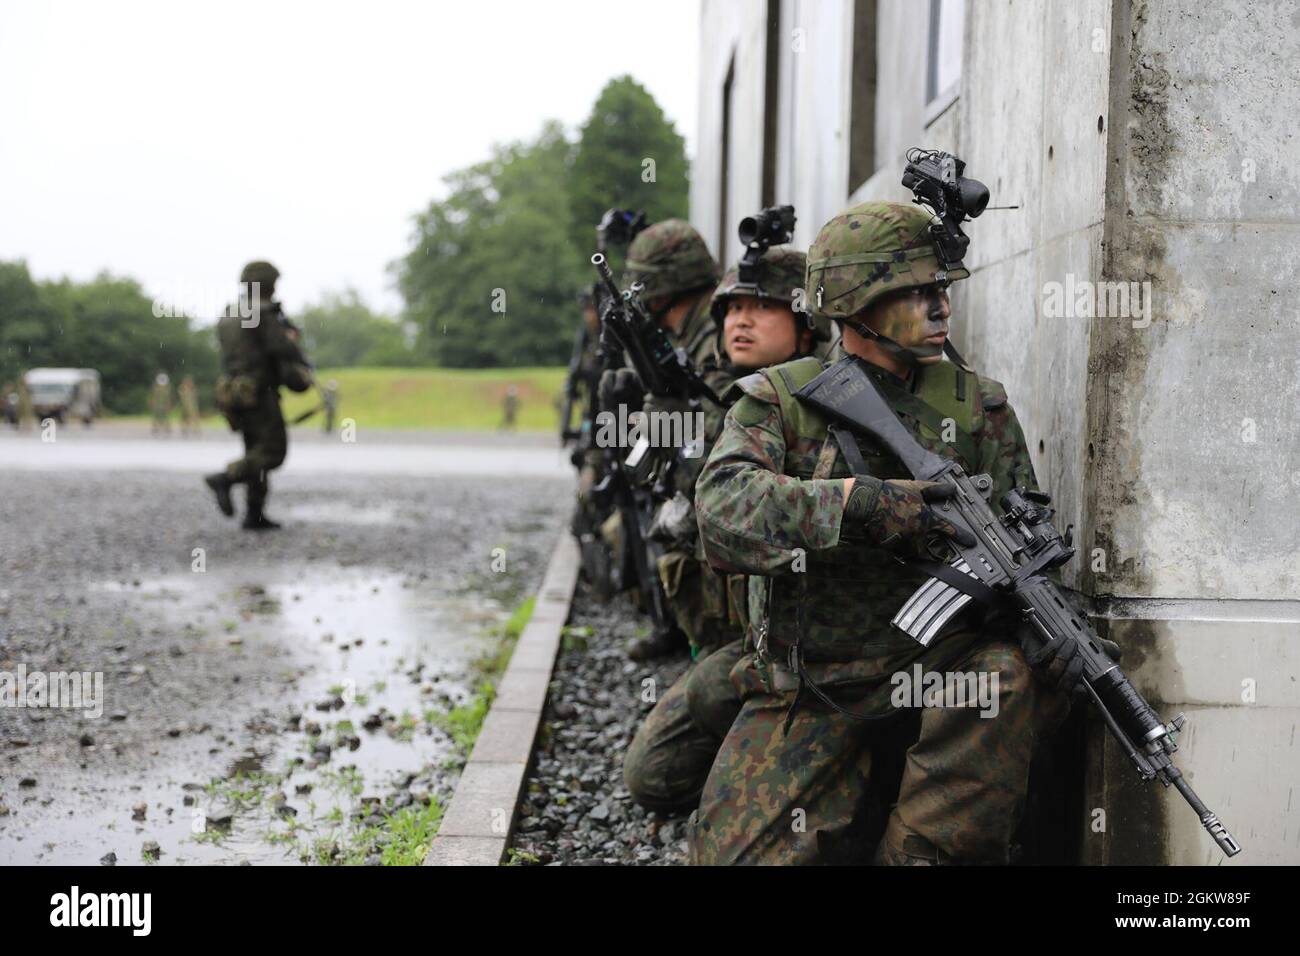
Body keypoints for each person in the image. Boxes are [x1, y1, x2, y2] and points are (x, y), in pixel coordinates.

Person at [689, 201, 1077, 865]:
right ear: (855, 300)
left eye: (942, 291)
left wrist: (1052, 634)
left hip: (934, 668)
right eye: (918, 292)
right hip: (813, 683)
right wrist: (853, 503)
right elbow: (723, 513)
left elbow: (1023, 547)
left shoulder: (976, 406)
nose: (941, 309)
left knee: (1008, 675)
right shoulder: (780, 400)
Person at [623, 242, 824, 813]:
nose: (740, 319)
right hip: (737, 628)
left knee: (716, 691)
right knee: (652, 778)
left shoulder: (828, 400)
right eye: (731, 308)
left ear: (805, 322)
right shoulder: (716, 395)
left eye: (761, 307)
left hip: (805, 635)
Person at [597, 218, 723, 661]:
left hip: (724, 481)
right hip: (700, 468)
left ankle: (711, 640)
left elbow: (718, 429)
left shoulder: (717, 332)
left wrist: (661, 423)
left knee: (673, 522)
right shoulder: (684, 330)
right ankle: (681, 626)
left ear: (664, 285)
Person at [205, 260, 313, 530]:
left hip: (235, 394)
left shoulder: (231, 312)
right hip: (259, 392)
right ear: (267, 284)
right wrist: (293, 343)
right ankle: (226, 478)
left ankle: (254, 513)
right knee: (273, 452)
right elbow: (281, 349)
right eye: (273, 284)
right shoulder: (261, 313)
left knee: (255, 452)